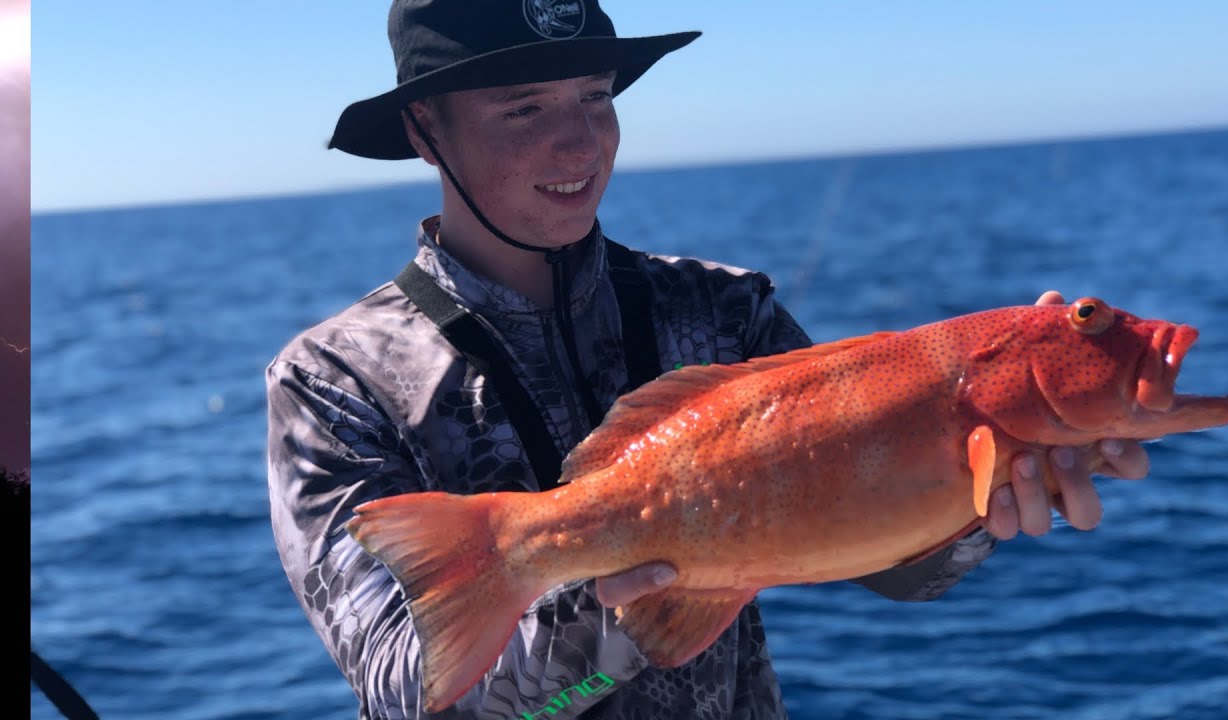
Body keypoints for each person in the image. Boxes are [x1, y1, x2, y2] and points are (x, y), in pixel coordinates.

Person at [264, 1, 1151, 718]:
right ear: (426, 131)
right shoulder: (334, 382)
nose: (579, 143)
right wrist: (637, 590)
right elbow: (414, 694)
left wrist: (982, 495)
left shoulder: (725, 309)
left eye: (596, 97)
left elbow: (890, 565)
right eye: (524, 109)